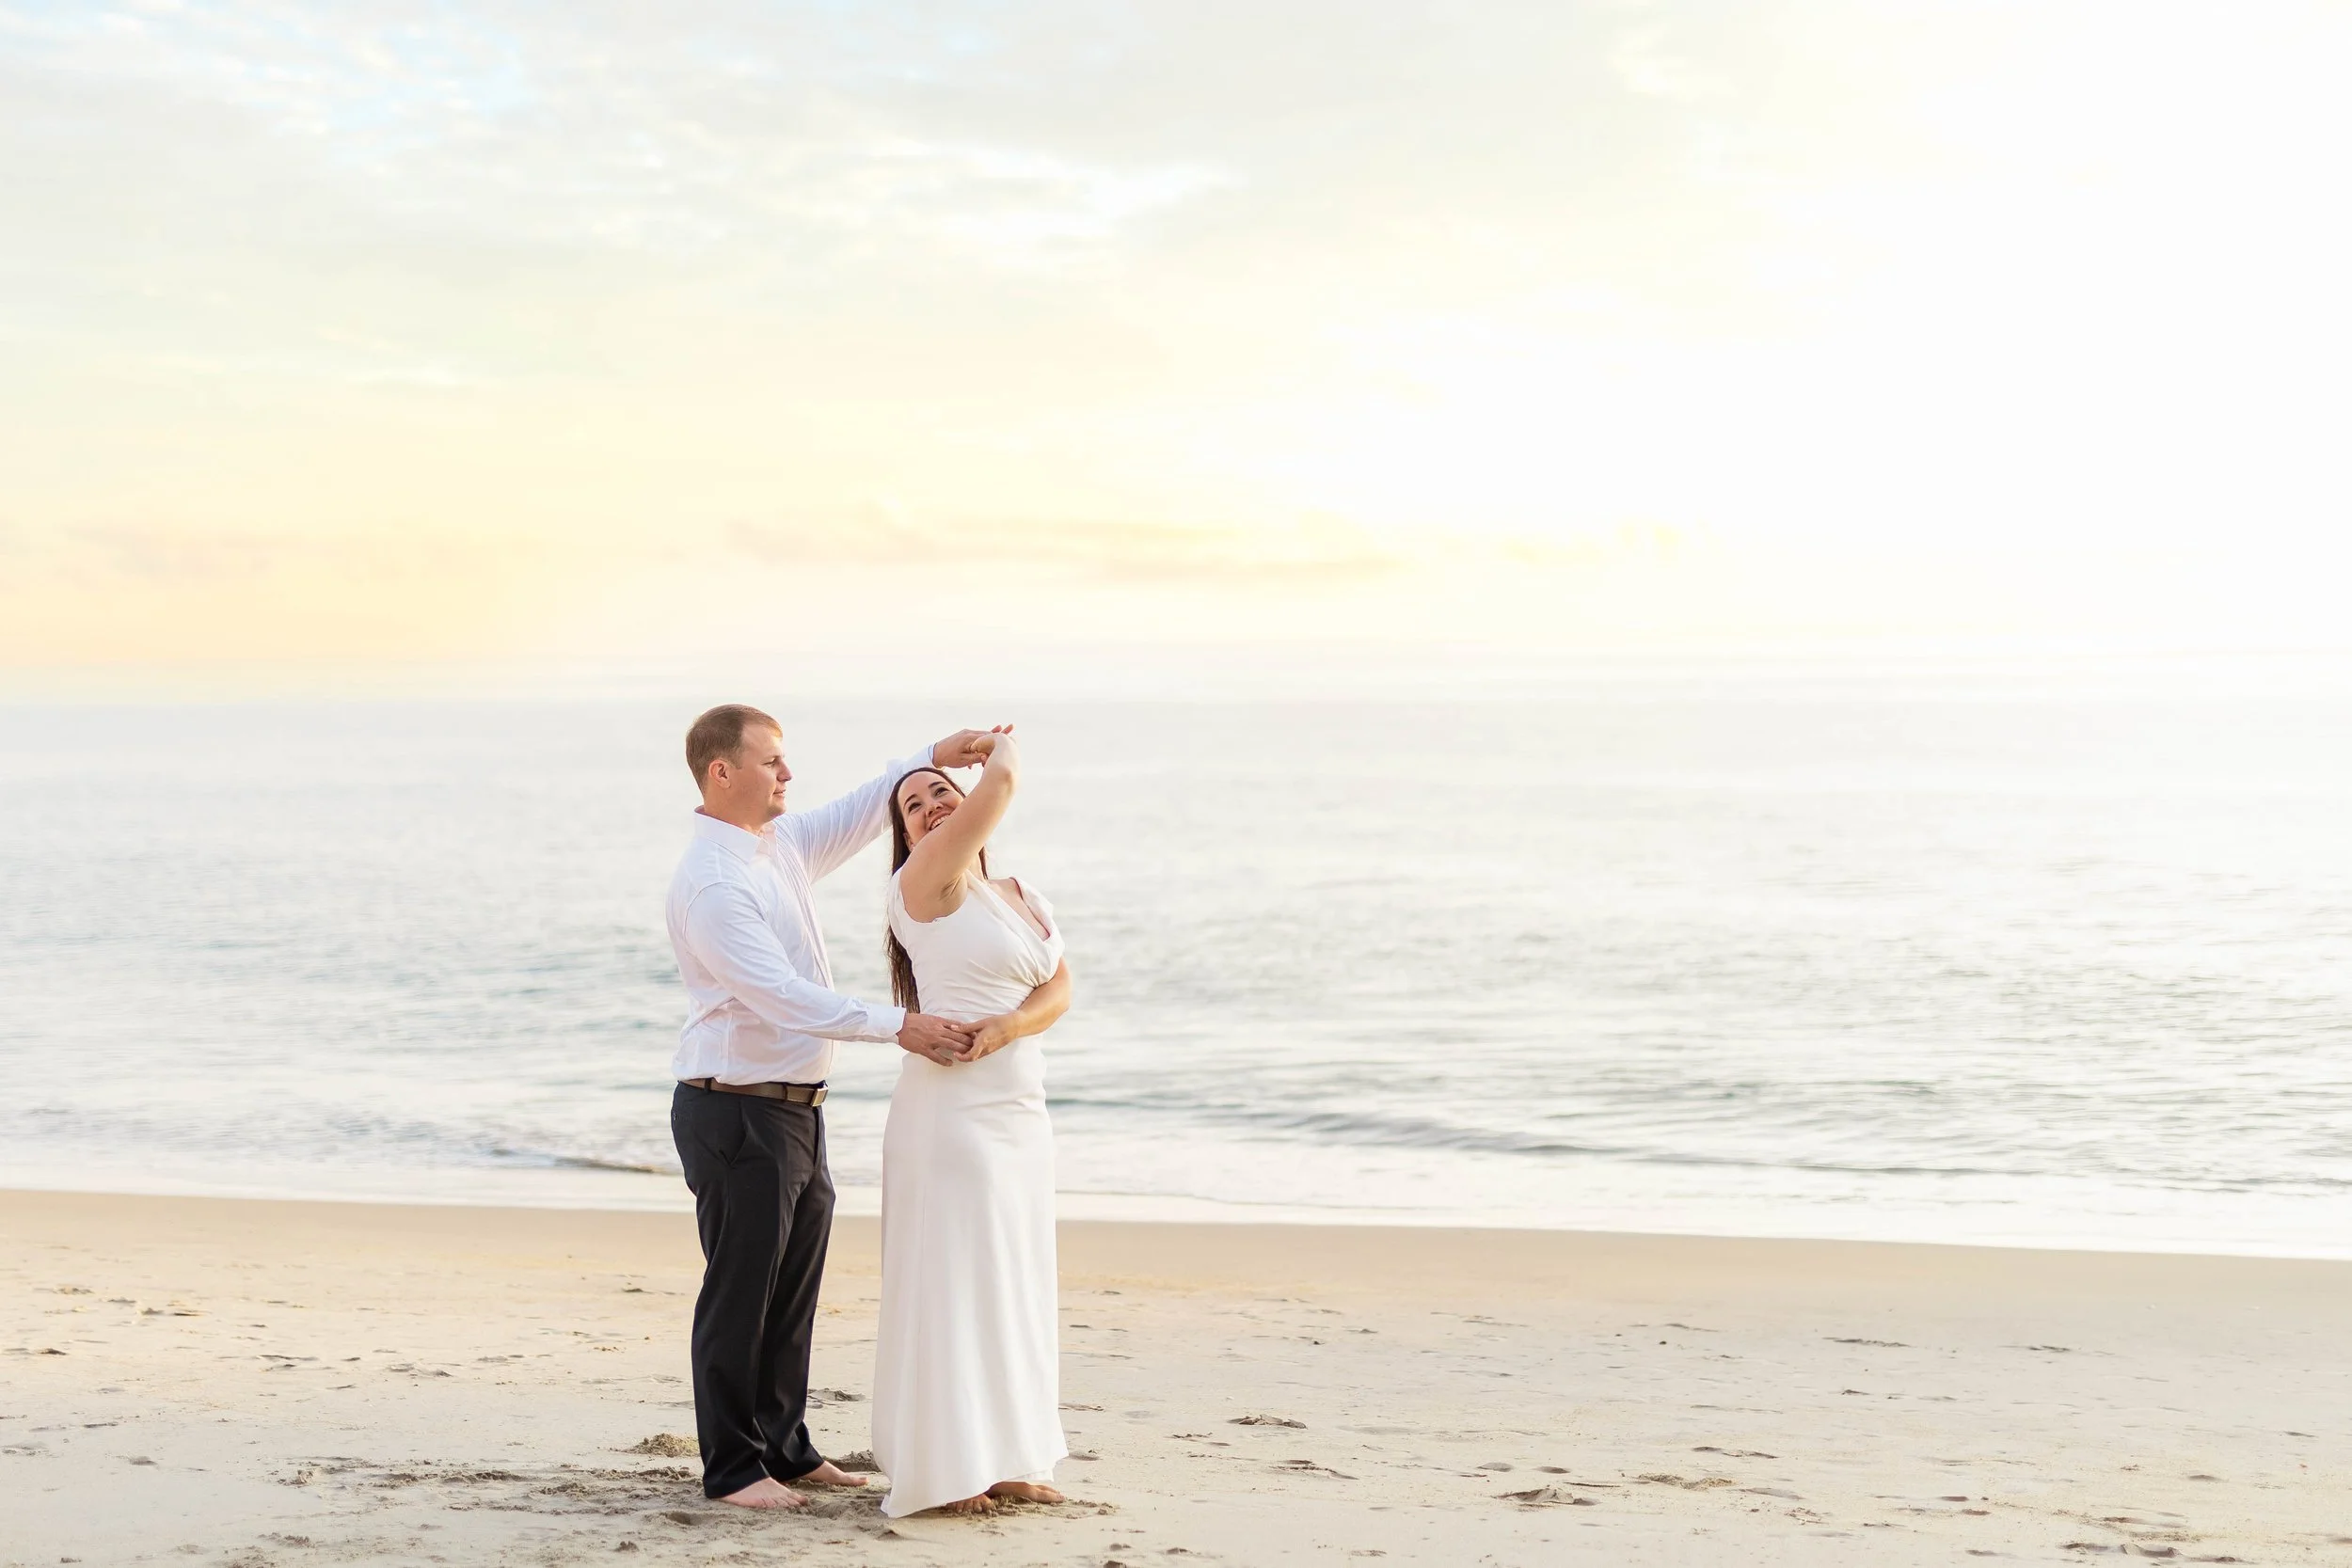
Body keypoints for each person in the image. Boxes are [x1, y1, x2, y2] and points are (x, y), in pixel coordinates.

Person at [665, 703, 1005, 1511]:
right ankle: (733, 1470)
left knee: (792, 1291)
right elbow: (783, 999)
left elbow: (860, 811)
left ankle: (784, 1447)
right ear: (723, 772)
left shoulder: (774, 846)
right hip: (735, 1110)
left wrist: (931, 753)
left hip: (793, 1111)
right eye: (772, 761)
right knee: (740, 1293)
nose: (787, 774)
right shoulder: (712, 882)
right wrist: (902, 1025)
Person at [871, 729, 1074, 1516]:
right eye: (912, 804)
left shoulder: (1021, 893)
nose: (928, 808)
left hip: (1019, 1109)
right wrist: (995, 748)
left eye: (937, 794)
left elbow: (1058, 989)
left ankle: (1012, 1455)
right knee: (953, 1282)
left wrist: (1008, 1028)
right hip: (948, 1116)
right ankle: (944, 1468)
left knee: (1013, 1279)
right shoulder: (923, 883)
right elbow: (1004, 784)